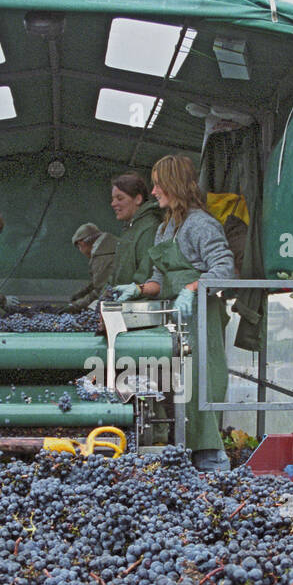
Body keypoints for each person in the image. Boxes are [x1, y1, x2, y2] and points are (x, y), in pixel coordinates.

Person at [113, 155, 235, 472]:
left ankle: (212, 460)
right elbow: (158, 279)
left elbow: (225, 268)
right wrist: (137, 290)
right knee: (175, 388)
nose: (153, 192)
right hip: (173, 322)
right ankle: (184, 454)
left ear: (175, 184)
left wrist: (193, 289)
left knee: (200, 385)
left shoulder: (201, 224)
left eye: (158, 184)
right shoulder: (166, 228)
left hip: (200, 321)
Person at [108, 172, 162, 290]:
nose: (113, 203)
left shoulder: (150, 228)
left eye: (120, 198)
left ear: (138, 199)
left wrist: (130, 293)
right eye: (113, 199)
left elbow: (146, 274)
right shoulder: (130, 228)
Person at [68, 223, 118, 310]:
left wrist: (75, 306)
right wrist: (81, 293)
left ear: (81, 243)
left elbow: (101, 291)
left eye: (79, 247)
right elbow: (99, 281)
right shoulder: (113, 245)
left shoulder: (103, 257)